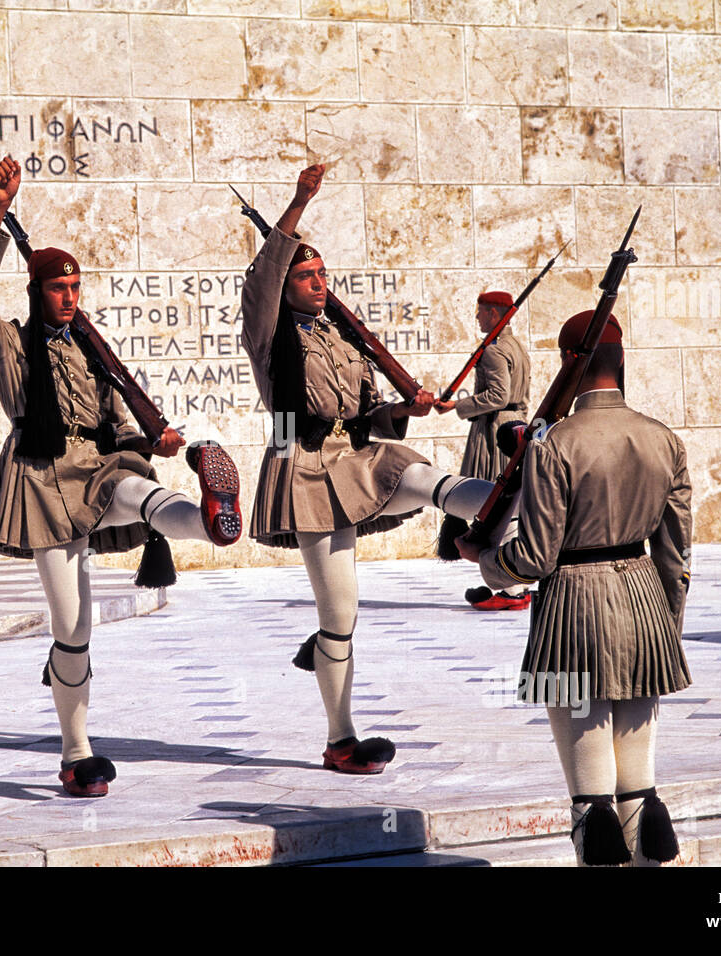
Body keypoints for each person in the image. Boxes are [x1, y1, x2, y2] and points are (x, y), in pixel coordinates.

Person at [0, 155, 243, 798]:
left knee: (139, 489)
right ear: (37, 292)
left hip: (97, 467)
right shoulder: (10, 344)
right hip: (42, 481)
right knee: (73, 627)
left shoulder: (92, 351)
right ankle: (75, 751)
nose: (69, 297)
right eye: (59, 288)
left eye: (76, 288)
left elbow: (117, 425)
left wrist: (157, 439)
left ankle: (208, 516)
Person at [241, 164, 500, 775]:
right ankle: (340, 738)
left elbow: (367, 413)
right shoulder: (268, 332)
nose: (318, 284)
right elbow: (261, 279)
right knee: (340, 616)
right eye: (305, 276)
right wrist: (299, 203)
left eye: (322, 274)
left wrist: (402, 408)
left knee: (410, 468)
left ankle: (502, 505)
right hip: (303, 467)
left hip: (355, 458)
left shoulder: (341, 338)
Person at [457, 310, 692, 866]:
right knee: (639, 787)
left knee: (592, 800)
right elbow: (676, 558)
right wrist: (665, 629)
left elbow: (534, 557)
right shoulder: (665, 439)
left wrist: (484, 559)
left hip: (571, 611)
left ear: (568, 365)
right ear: (622, 362)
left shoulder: (554, 444)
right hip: (644, 604)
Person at [450, 290, 532, 611]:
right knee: (505, 507)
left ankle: (510, 590)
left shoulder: (493, 351)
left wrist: (458, 406)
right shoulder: (517, 348)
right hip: (514, 424)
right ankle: (509, 583)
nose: (477, 317)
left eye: (482, 311)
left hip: (495, 429)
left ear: (496, 315)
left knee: (494, 506)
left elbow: (497, 396)